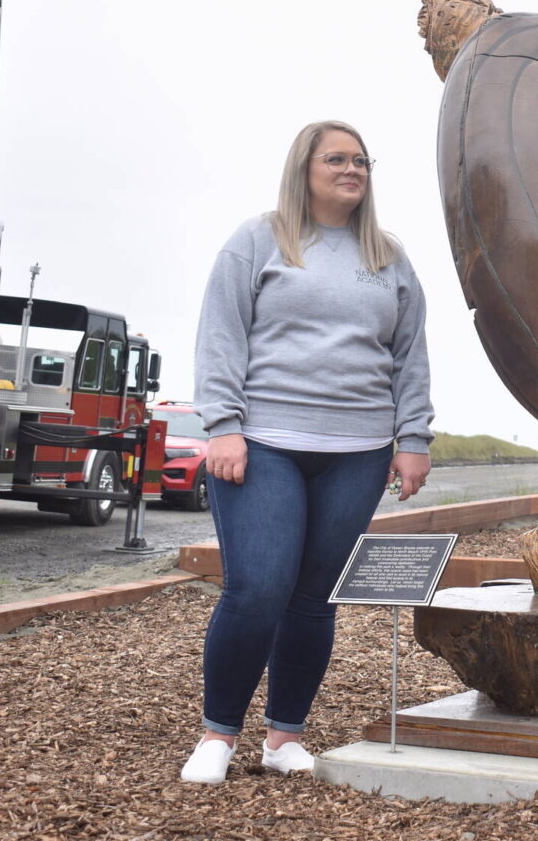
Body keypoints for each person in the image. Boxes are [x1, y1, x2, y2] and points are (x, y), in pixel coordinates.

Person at [181, 119, 435, 783]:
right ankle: (218, 736)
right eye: (337, 159)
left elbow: (409, 358)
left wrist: (414, 439)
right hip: (263, 443)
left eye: (362, 160)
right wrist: (223, 425)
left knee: (314, 599)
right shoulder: (258, 240)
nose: (353, 169)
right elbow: (221, 335)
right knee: (259, 588)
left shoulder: (389, 258)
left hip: (359, 451)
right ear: (306, 168)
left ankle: (283, 737)